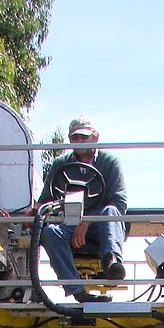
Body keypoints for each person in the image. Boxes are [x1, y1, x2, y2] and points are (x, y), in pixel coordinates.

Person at [35, 117, 128, 303]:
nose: (78, 142)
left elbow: (119, 202)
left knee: (110, 211)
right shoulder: (60, 164)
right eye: (75, 138)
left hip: (102, 226)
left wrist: (87, 221)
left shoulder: (109, 162)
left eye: (83, 138)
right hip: (69, 224)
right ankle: (77, 290)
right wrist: (35, 210)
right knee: (50, 232)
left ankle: (112, 263)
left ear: (95, 138)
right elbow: (46, 201)